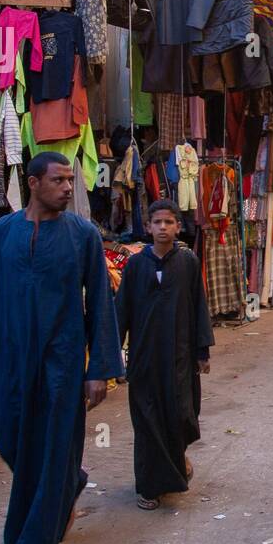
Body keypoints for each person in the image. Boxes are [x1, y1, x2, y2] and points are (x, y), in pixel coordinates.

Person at [0, 152, 123, 544]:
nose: (69, 188)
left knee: (52, 448)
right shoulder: (1, 234)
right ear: (32, 183)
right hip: (10, 359)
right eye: (59, 180)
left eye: (71, 180)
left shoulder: (83, 235)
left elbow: (100, 305)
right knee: (12, 440)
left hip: (62, 359)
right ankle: (70, 483)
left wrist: (100, 369)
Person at [115, 201, 214, 511]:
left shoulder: (187, 262)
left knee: (181, 413)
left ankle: (177, 460)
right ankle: (149, 486)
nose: (162, 227)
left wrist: (202, 350)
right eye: (156, 222)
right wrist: (114, 358)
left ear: (177, 226)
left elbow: (199, 306)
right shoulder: (134, 266)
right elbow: (121, 313)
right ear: (148, 227)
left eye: (169, 222)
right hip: (144, 358)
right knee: (147, 421)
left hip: (180, 357)